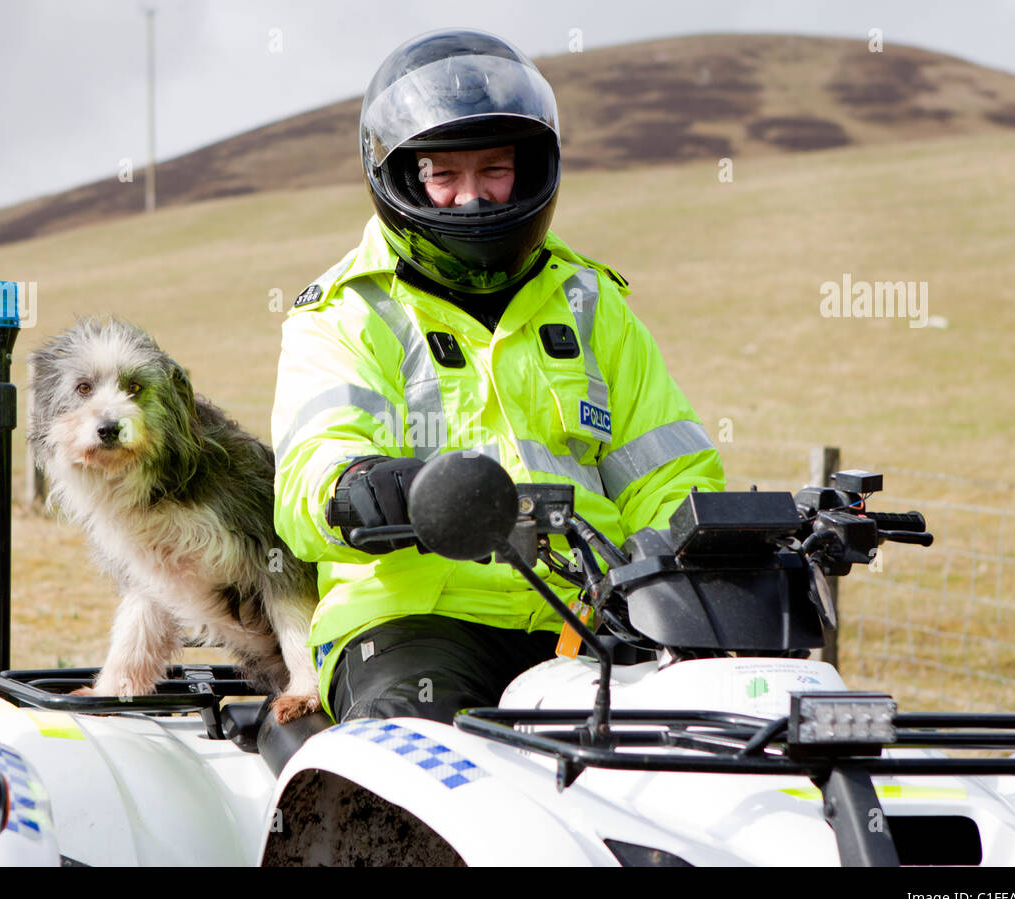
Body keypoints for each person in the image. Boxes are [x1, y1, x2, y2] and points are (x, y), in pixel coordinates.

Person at [270, 29, 725, 723]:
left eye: (495, 170)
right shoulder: (345, 313)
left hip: (586, 619)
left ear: (533, 166)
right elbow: (312, 474)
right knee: (418, 765)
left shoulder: (592, 303)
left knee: (713, 738)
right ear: (398, 176)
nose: (472, 199)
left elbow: (668, 472)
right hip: (414, 618)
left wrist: (690, 556)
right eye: (442, 174)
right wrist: (383, 492)